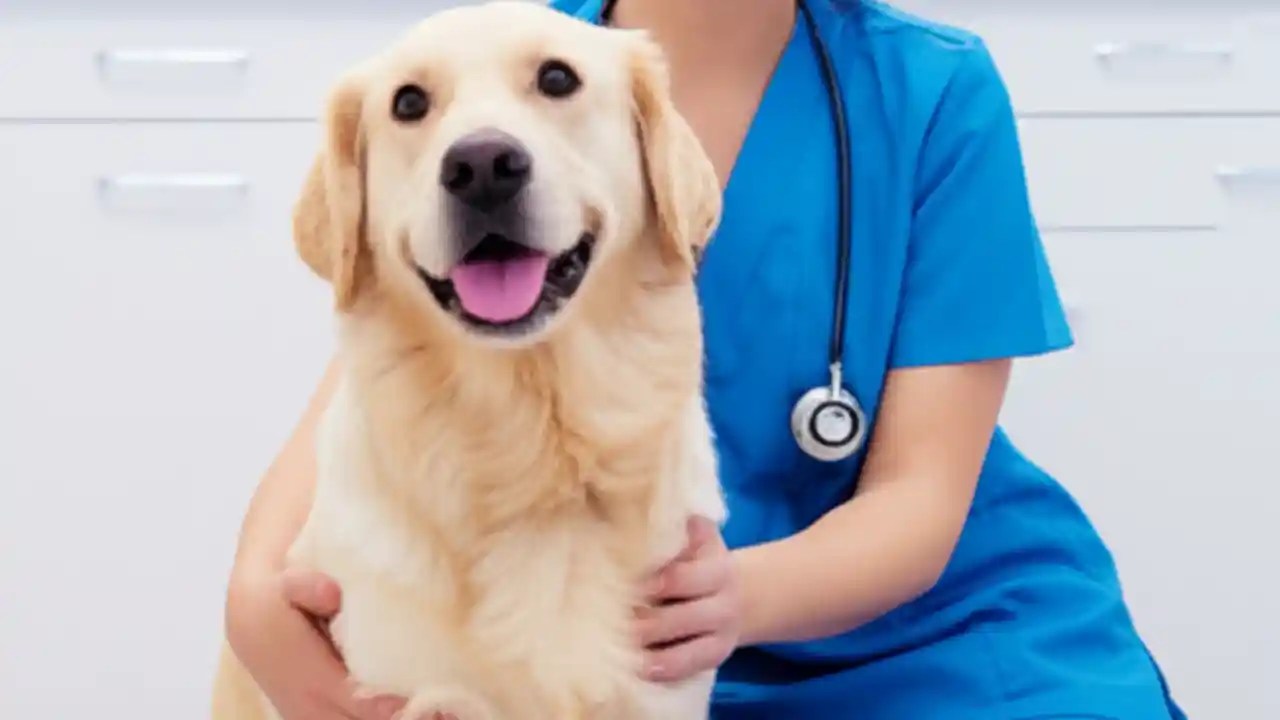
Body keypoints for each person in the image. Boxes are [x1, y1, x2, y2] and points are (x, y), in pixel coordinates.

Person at [223, 0, 1189, 718]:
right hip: (600, 625)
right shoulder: (507, 59)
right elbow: (371, 376)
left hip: (927, 623)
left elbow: (921, 499)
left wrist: (740, 600)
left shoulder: (933, 91)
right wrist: (253, 595)